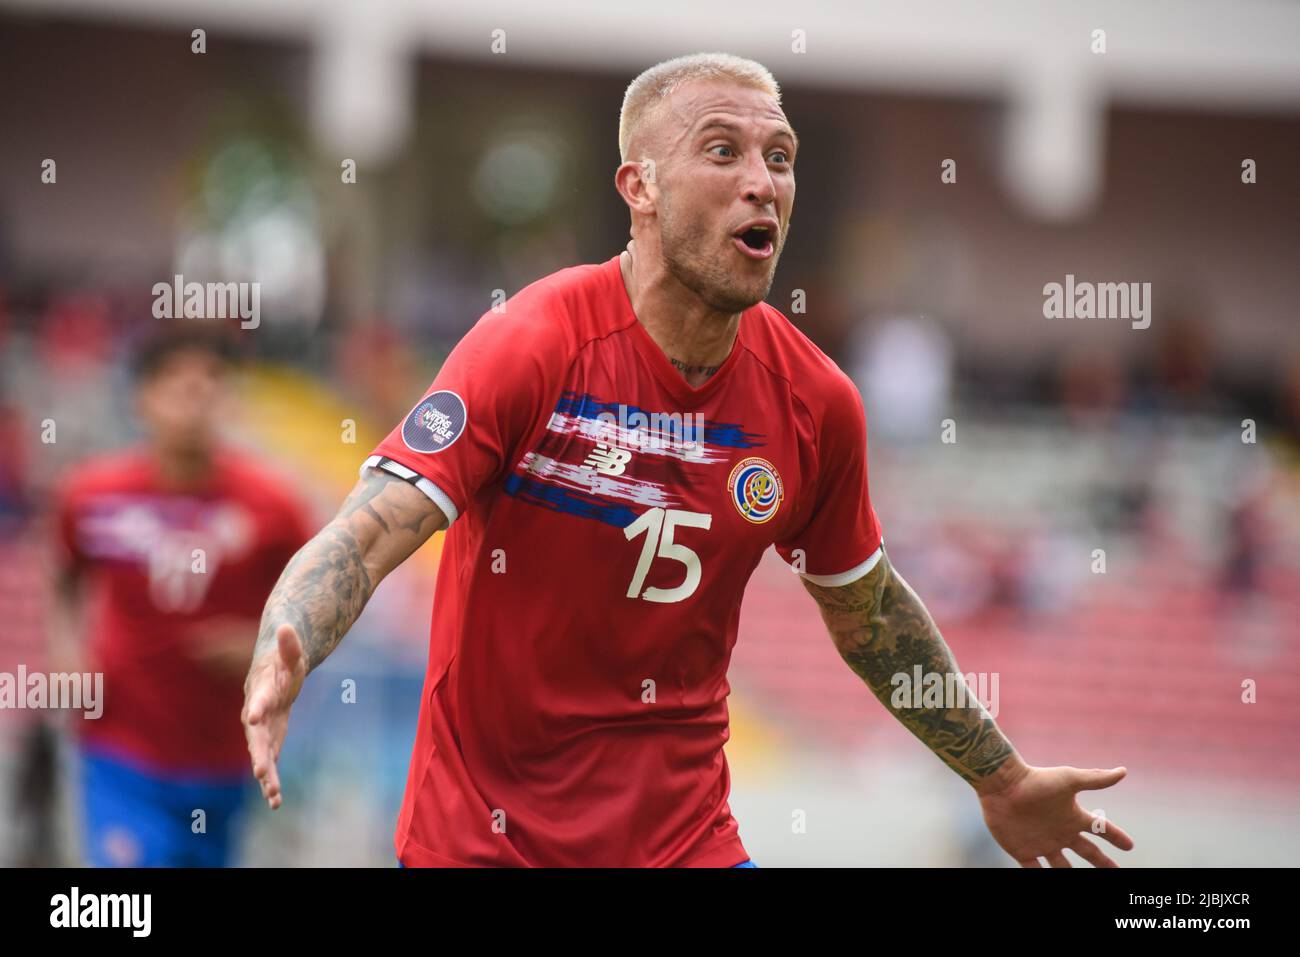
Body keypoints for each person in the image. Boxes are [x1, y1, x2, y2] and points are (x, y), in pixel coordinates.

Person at [243, 53, 1134, 868]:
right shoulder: (531, 345)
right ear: (641, 186)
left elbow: (868, 612)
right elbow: (370, 534)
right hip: (483, 845)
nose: (762, 184)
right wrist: (288, 642)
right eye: (723, 152)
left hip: (684, 843)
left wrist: (1000, 775)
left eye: (779, 159)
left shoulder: (817, 402)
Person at [52, 323, 313, 866]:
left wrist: (257, 648)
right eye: (178, 383)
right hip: (121, 747)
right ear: (141, 396)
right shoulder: (93, 496)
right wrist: (66, 655)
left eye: (213, 382)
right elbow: (63, 578)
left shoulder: (275, 506)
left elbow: (313, 604)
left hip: (223, 755)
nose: (197, 399)